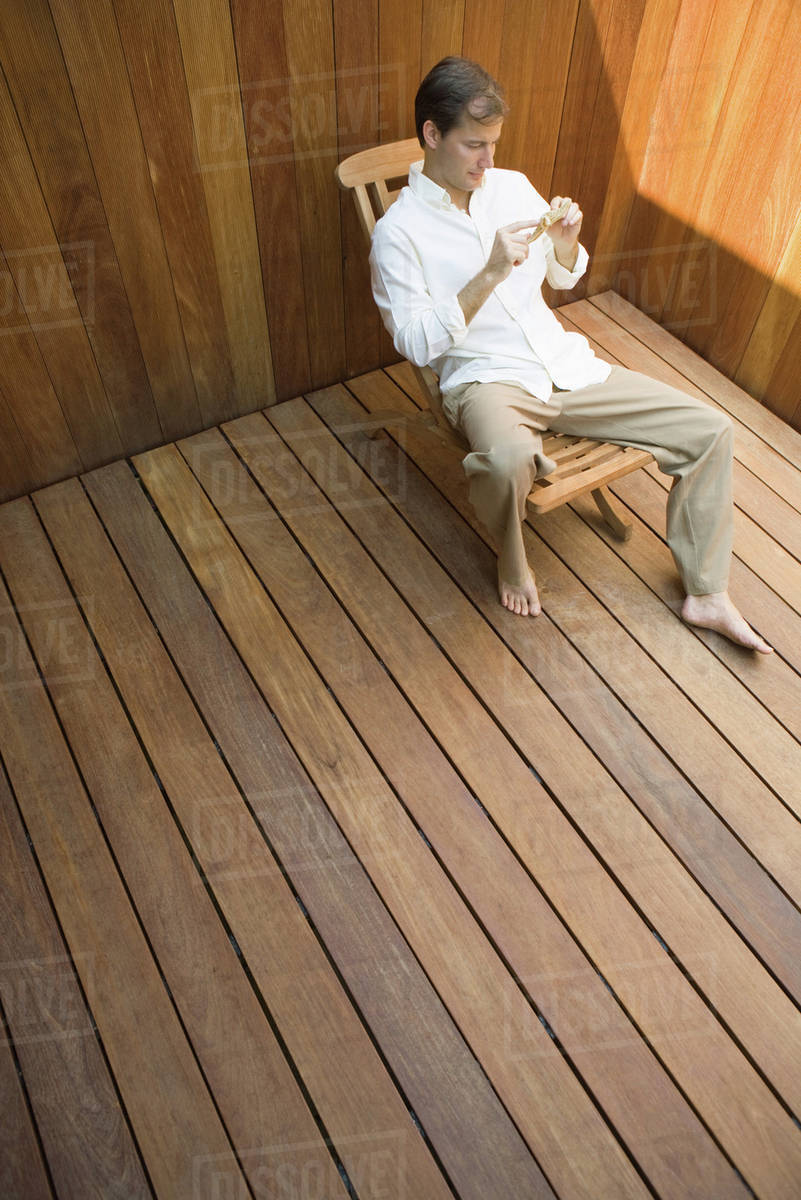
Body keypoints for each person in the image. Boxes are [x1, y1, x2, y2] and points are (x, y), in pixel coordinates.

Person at [369, 56, 772, 653]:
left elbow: (561, 280)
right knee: (506, 462)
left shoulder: (509, 187)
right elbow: (414, 342)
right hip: (487, 381)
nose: (489, 161)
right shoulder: (398, 233)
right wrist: (486, 275)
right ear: (432, 134)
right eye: (474, 146)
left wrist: (566, 244)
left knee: (709, 429)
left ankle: (706, 592)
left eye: (494, 144)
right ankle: (512, 556)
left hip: (562, 365)